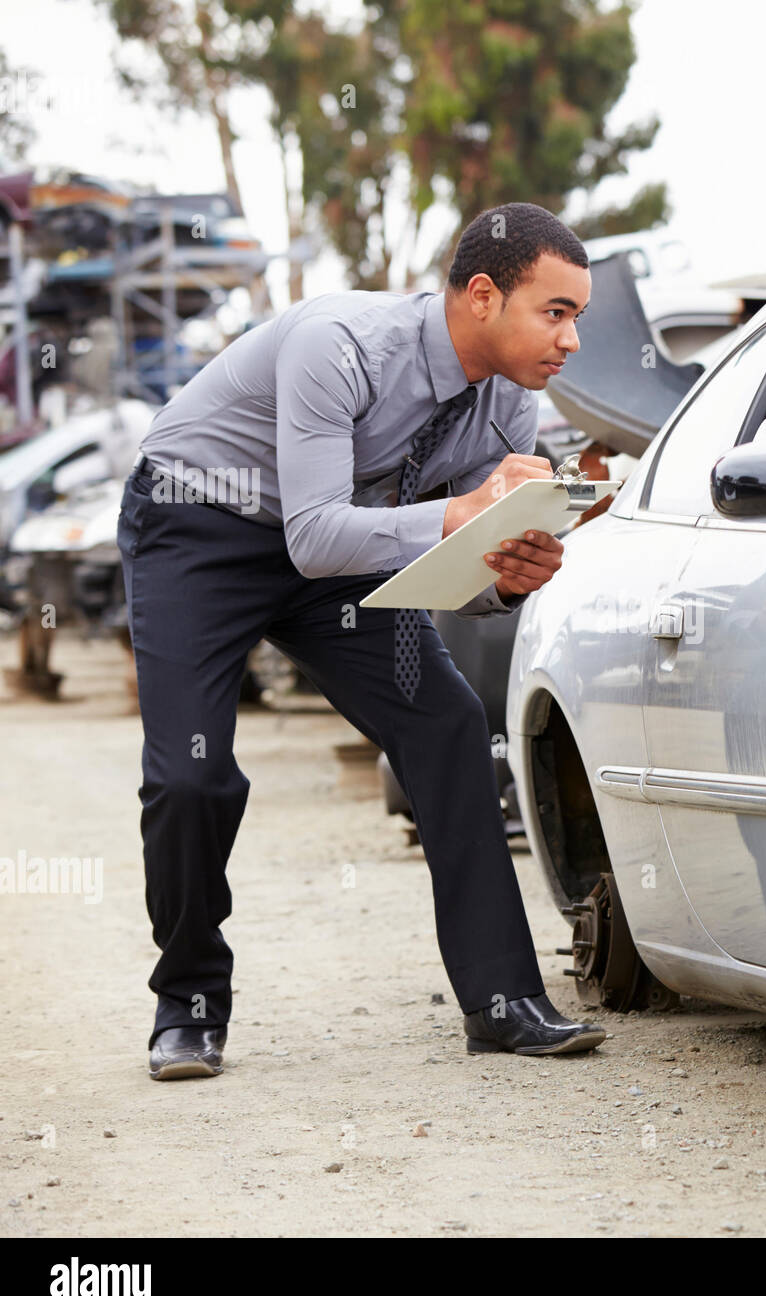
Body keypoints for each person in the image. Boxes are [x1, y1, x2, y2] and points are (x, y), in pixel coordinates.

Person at [117, 201, 605, 1080]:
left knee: (450, 723)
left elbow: (443, 558)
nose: (571, 339)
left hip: (340, 551)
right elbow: (314, 535)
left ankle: (502, 1001)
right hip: (200, 524)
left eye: (579, 317)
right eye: (557, 312)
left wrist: (505, 574)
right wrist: (464, 512)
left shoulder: (510, 408)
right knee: (190, 773)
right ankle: (187, 1004)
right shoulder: (338, 343)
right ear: (484, 296)